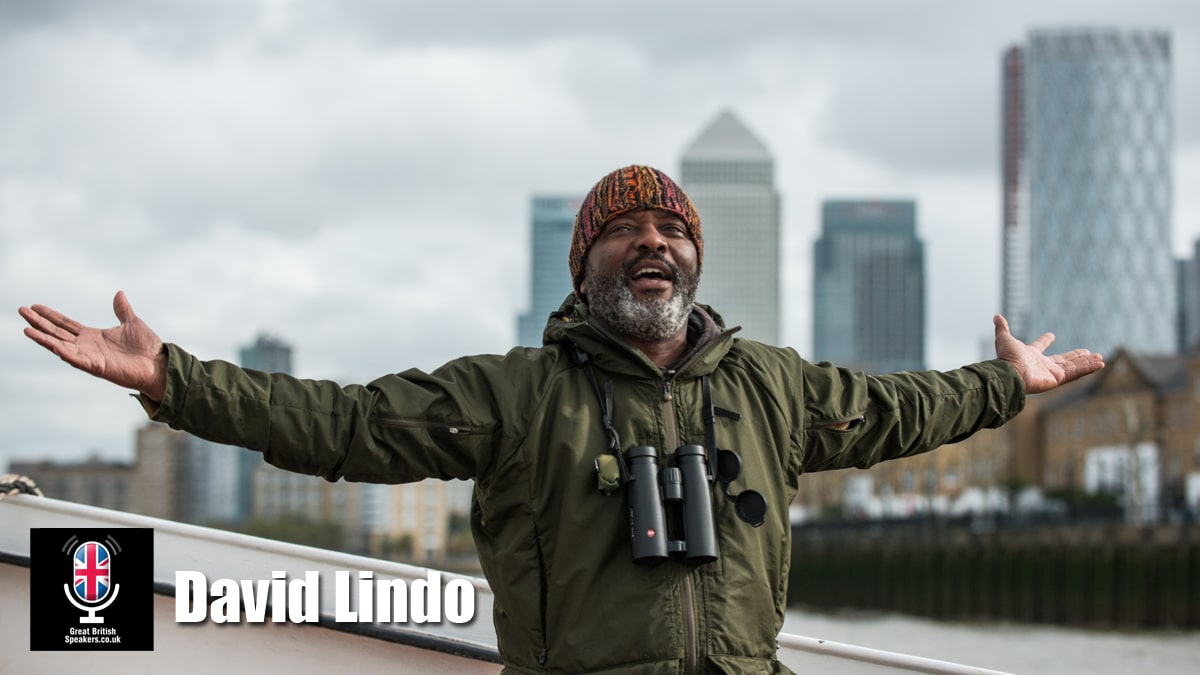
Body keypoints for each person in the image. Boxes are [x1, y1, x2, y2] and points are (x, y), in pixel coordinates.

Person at [19, 165, 1103, 674]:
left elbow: (896, 411)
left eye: (668, 231)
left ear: (693, 260)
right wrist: (173, 381)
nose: (651, 244)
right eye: (622, 231)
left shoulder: (769, 385)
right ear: (582, 266)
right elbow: (342, 424)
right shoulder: (516, 395)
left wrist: (1005, 382)